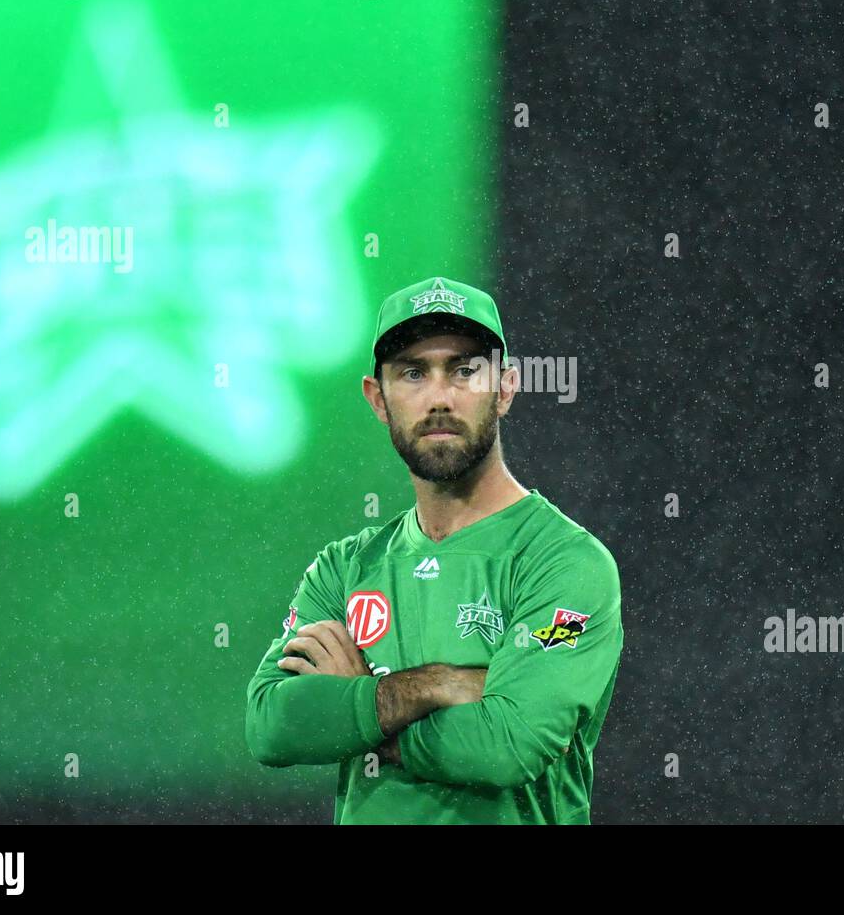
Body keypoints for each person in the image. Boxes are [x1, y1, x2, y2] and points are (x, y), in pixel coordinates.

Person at [245, 276, 623, 824]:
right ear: (378, 398)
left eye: (465, 370)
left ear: (506, 388)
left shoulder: (564, 562)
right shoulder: (345, 569)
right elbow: (271, 725)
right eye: (413, 373)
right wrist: (441, 684)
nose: (440, 397)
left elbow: (506, 744)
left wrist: (358, 706)